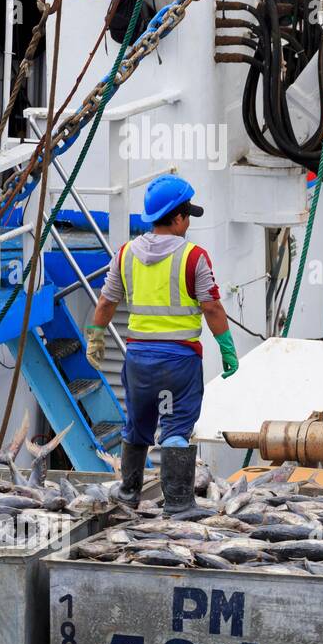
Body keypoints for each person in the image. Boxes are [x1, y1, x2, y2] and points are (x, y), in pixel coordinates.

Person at [84, 175, 239, 516]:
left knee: (137, 425)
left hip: (138, 360)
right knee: (175, 428)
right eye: (188, 217)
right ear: (180, 218)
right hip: (178, 361)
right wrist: (227, 347)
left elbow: (106, 302)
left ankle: (128, 493)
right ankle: (180, 504)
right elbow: (211, 306)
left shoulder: (125, 254)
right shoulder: (193, 257)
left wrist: (96, 337)